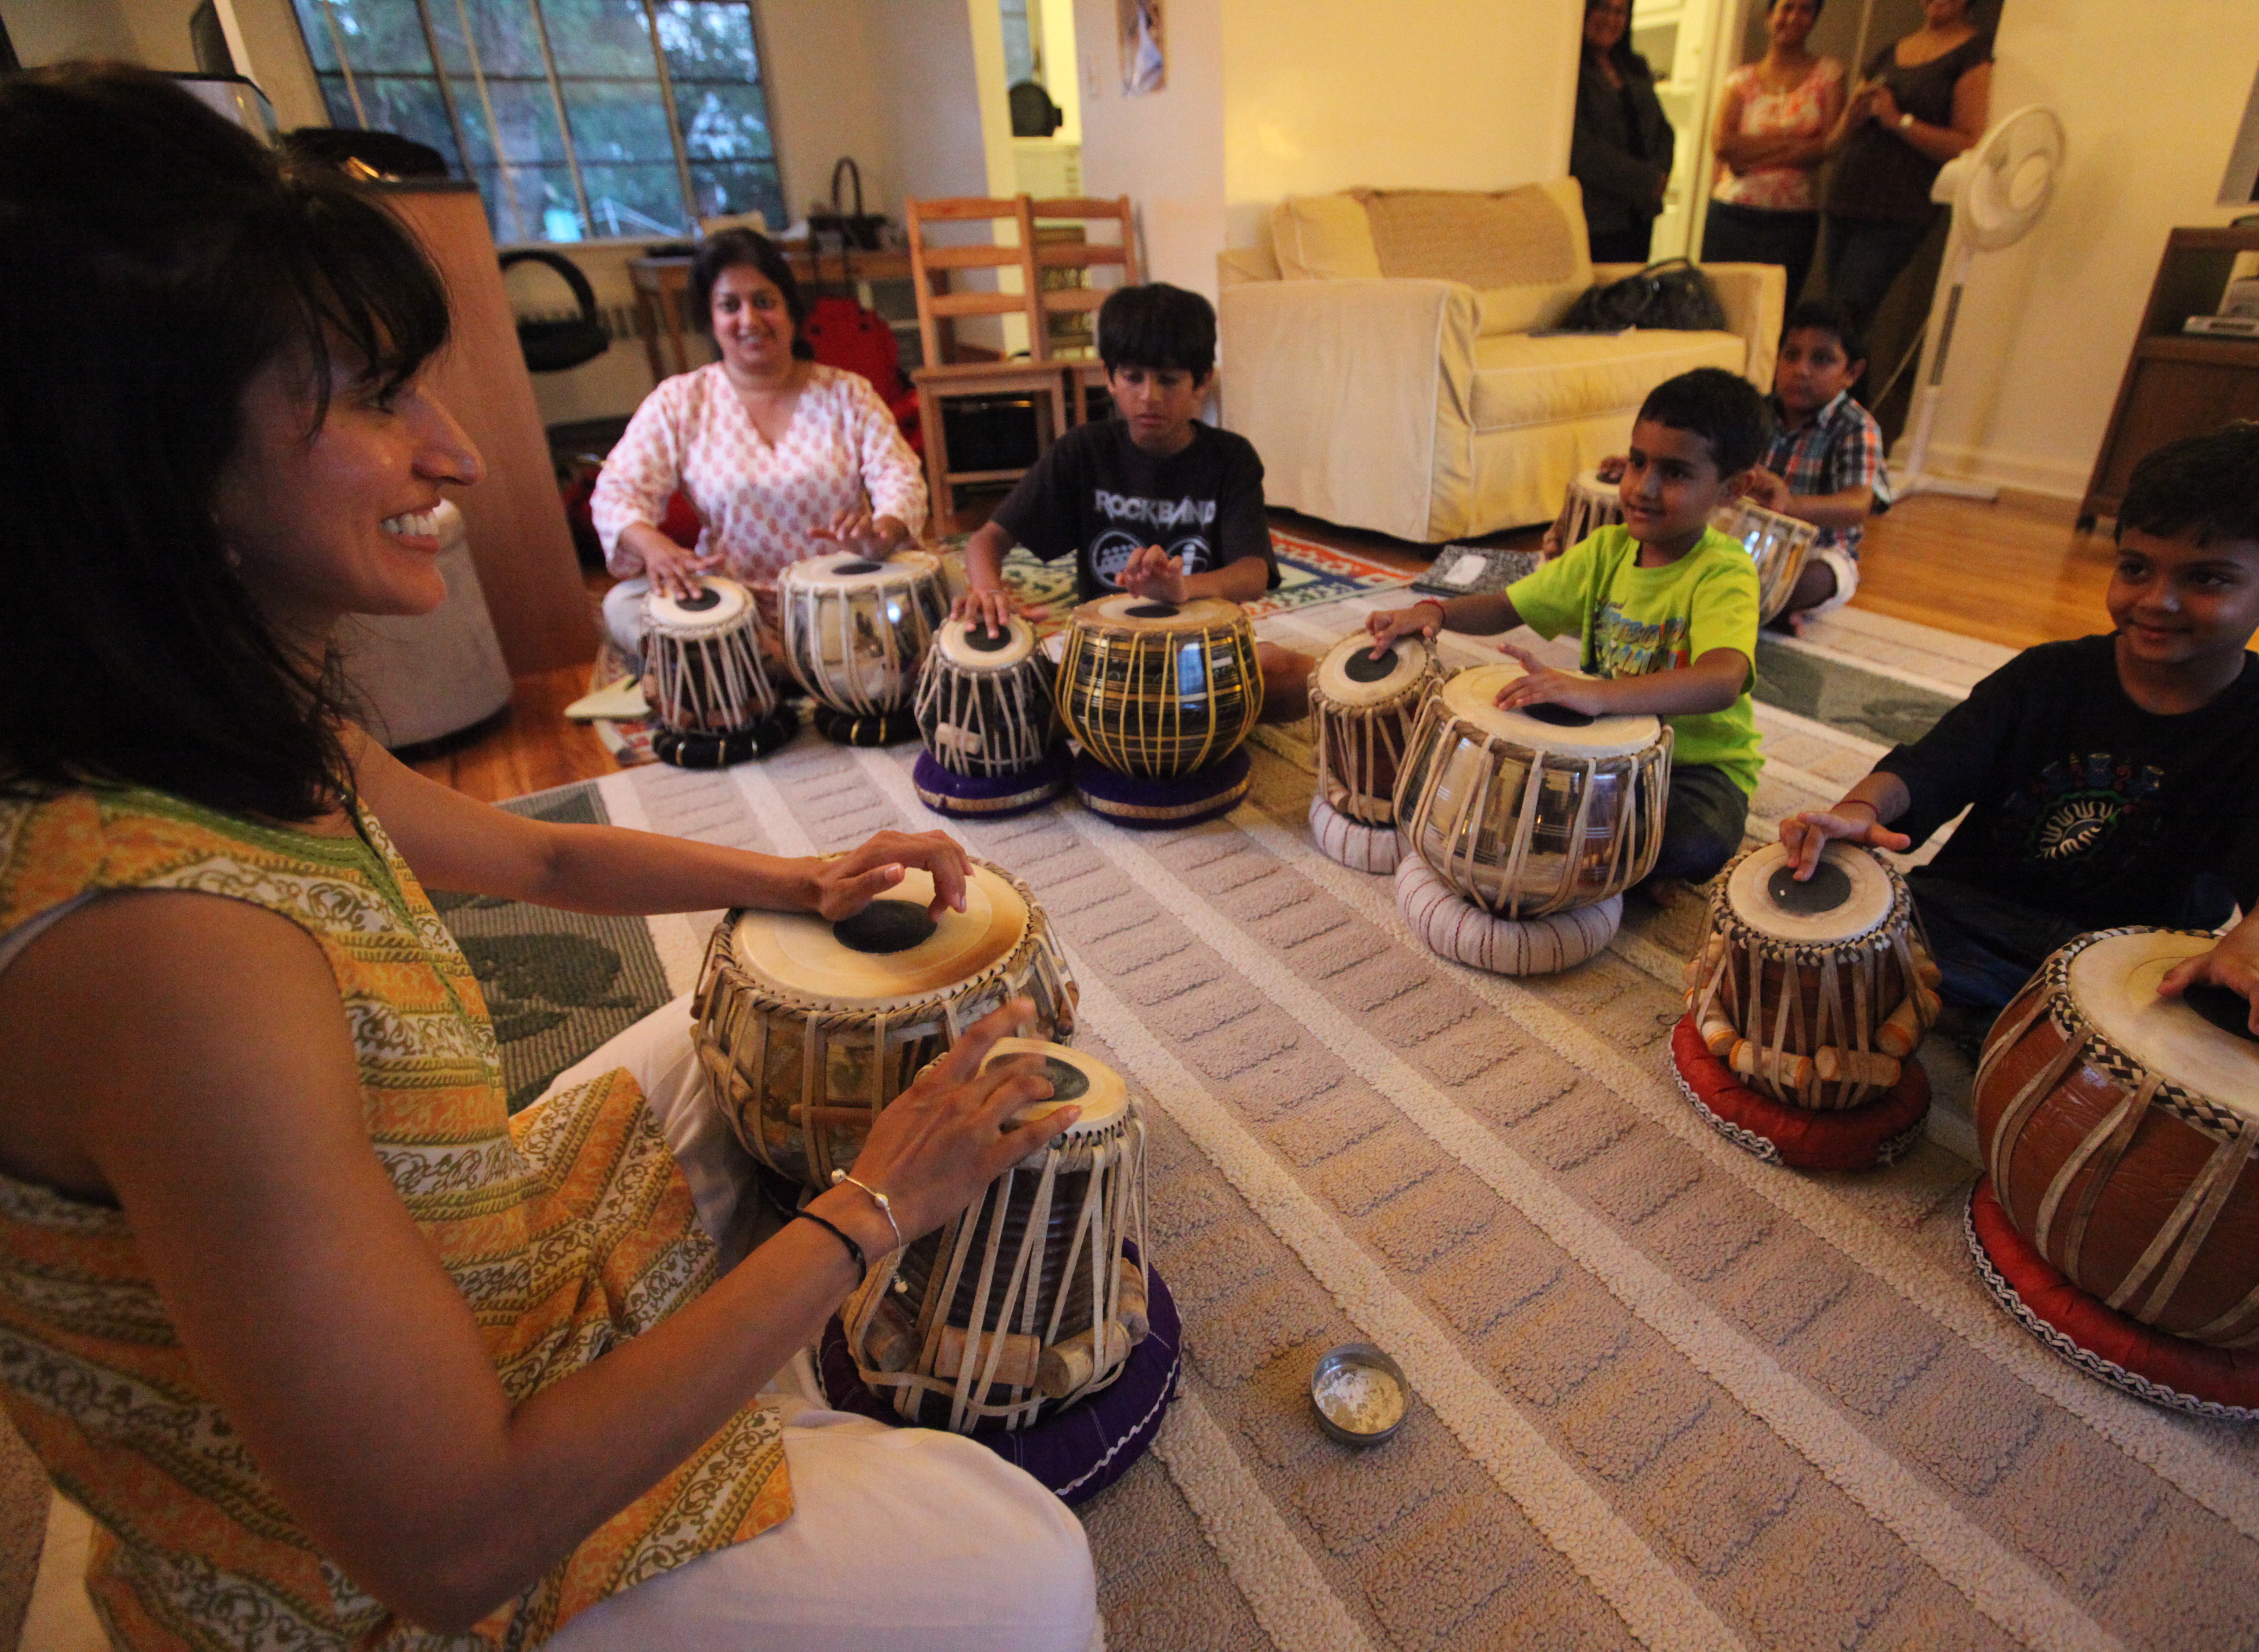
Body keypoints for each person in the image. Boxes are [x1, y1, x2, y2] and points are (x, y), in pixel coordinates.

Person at [0, 64, 1097, 1651]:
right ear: (149, 456)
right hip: (389, 1574)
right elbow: (447, 1545)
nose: (453, 455)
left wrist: (796, 886)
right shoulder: (169, 954)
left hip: (454, 1277)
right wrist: (871, 1208)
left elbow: (551, 868)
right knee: (1025, 1568)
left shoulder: (234, 737)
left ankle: (722, 1405)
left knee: (736, 1025)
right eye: (377, 397)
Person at [1780, 422, 2259, 1073]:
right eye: (2137, 568)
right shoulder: (2049, 675)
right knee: (1821, 944)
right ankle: (2008, 1023)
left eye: (2207, 579)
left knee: (2247, 1039)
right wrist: (1861, 811)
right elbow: (1936, 763)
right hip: (1966, 917)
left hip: (2134, 958)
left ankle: (2003, 1023)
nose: (2156, 600)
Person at [1364, 368, 1770, 890]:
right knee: (1499, 775)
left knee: (1699, 840)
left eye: (1675, 473)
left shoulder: (1724, 570)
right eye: (1638, 462)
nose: (1643, 488)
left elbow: (1722, 680)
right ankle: (1616, 867)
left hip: (1693, 770)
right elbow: (1511, 606)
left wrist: (1599, 694)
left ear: (1733, 490)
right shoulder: (1607, 551)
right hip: (1604, 753)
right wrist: (1435, 614)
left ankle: (1618, 864)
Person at [957, 282, 1313, 723]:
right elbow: (987, 541)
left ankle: (1135, 723)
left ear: (1202, 380)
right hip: (1107, 666)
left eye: (1168, 379)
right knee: (983, 681)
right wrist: (989, 592)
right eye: (1133, 378)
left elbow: (1253, 573)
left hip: (1199, 662)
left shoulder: (1231, 458)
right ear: (1109, 376)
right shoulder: (1082, 452)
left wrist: (1184, 589)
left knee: (1292, 674)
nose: (1150, 396)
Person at [592, 228, 927, 666]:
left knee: (947, 584)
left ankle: (745, 666)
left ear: (790, 310)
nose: (749, 321)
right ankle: (774, 660)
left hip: (844, 597)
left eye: (764, 302)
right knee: (621, 603)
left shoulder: (847, 393)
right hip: (735, 605)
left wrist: (883, 531)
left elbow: (899, 475)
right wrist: (655, 546)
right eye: (730, 306)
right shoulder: (681, 401)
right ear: (711, 320)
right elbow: (617, 491)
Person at [1819, 0, 1991, 341]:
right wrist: (1853, 116)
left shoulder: (1973, 53)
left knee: (1844, 322)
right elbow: (1833, 143)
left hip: (1897, 212)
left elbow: (1970, 144)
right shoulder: (1888, 53)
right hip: (1846, 198)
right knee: (1833, 320)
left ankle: (1838, 394)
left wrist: (1899, 121)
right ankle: (1837, 394)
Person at [1742, 300, 1884, 632]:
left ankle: (1768, 603)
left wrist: (1791, 505)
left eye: (1821, 360)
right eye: (1791, 355)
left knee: (1819, 578)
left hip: (1818, 552)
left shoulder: (1855, 427)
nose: (1801, 370)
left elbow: (1858, 504)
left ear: (1852, 373)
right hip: (1747, 542)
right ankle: (1764, 606)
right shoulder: (1755, 413)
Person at [1700, 0, 1843, 307]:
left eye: (1806, 10)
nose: (1794, 17)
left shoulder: (1829, 75)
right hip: (1731, 214)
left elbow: (1826, 148)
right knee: (1715, 309)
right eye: (1786, 7)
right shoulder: (1740, 80)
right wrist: (1795, 143)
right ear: (1770, 16)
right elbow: (1722, 146)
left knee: (1775, 314)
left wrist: (1748, 153)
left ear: (1815, 18)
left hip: (1792, 222)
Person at [1571, 0, 1677, 266]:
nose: (1611, 19)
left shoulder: (1635, 66)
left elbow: (1663, 130)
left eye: (1620, 12)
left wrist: (1661, 175)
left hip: (1640, 213)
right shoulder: (1569, 68)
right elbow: (1581, 148)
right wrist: (1646, 180)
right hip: (1597, 215)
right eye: (1603, 8)